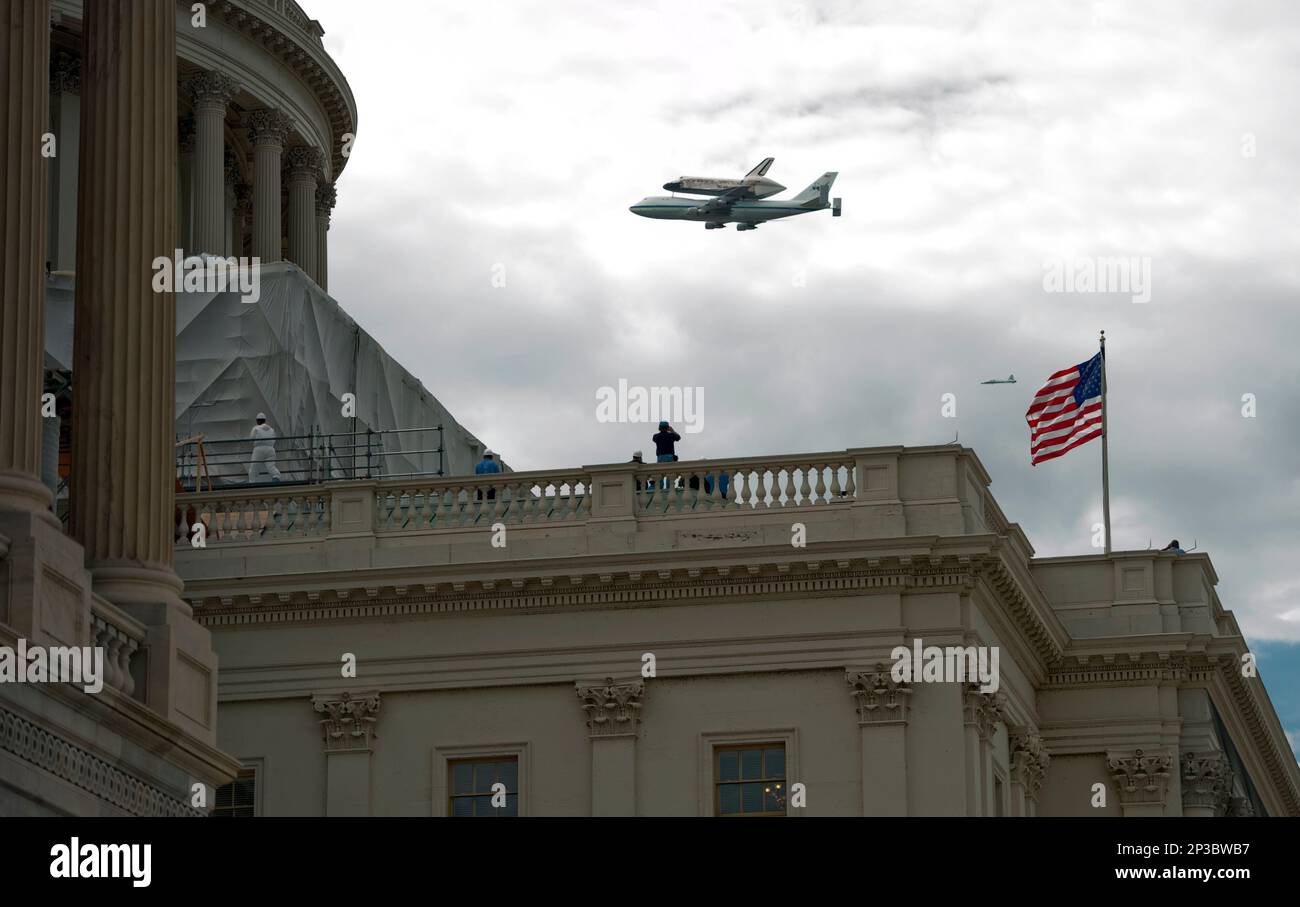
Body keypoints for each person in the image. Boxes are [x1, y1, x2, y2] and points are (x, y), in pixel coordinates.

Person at [248, 412, 282, 483]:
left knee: (254, 467)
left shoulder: (256, 428)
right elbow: (274, 439)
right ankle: (276, 477)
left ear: (258, 420)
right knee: (271, 466)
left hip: (259, 450)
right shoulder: (271, 429)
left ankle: (252, 482)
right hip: (270, 450)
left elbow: (251, 439)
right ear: (265, 420)